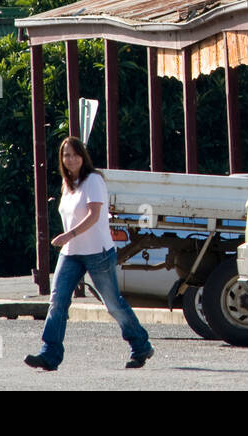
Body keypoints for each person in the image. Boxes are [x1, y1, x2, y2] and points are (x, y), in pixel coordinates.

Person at [25, 137, 154, 371]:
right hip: (71, 253)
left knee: (113, 304)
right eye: (66, 155)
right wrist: (69, 240)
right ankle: (49, 355)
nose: (70, 159)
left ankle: (141, 345)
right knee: (57, 302)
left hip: (98, 252)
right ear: (61, 160)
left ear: (83, 156)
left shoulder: (93, 180)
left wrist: (68, 235)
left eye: (75, 154)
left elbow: (94, 216)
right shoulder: (68, 184)